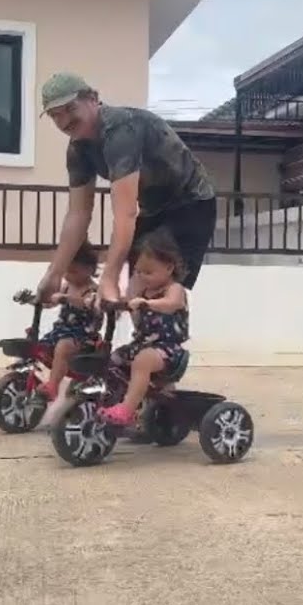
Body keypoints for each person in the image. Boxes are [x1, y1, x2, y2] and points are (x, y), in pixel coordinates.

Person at [34, 72, 217, 308]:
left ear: (93, 99)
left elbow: (126, 212)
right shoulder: (78, 150)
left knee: (161, 283)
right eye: (55, 115)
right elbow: (78, 214)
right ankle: (133, 329)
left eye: (70, 109)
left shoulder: (121, 130)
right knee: (136, 287)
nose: (64, 121)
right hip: (152, 209)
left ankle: (168, 331)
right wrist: (54, 273)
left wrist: (109, 278)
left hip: (191, 203)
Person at [99, 229, 191, 426]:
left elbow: (172, 303)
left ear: (169, 267)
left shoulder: (174, 289)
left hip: (168, 350)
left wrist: (148, 304)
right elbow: (129, 303)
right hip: (142, 345)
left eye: (148, 272)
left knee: (142, 361)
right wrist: (114, 305)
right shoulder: (143, 292)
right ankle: (116, 399)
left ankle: (127, 410)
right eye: (139, 271)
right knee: (112, 360)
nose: (142, 276)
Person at [35, 241, 104, 401]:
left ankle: (53, 385)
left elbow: (87, 303)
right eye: (65, 271)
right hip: (61, 331)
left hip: (83, 337)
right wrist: (41, 301)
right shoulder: (66, 286)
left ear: (89, 270)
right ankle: (19, 381)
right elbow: (51, 302)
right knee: (34, 345)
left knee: (63, 347)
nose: (68, 275)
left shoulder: (93, 290)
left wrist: (67, 299)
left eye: (73, 271)